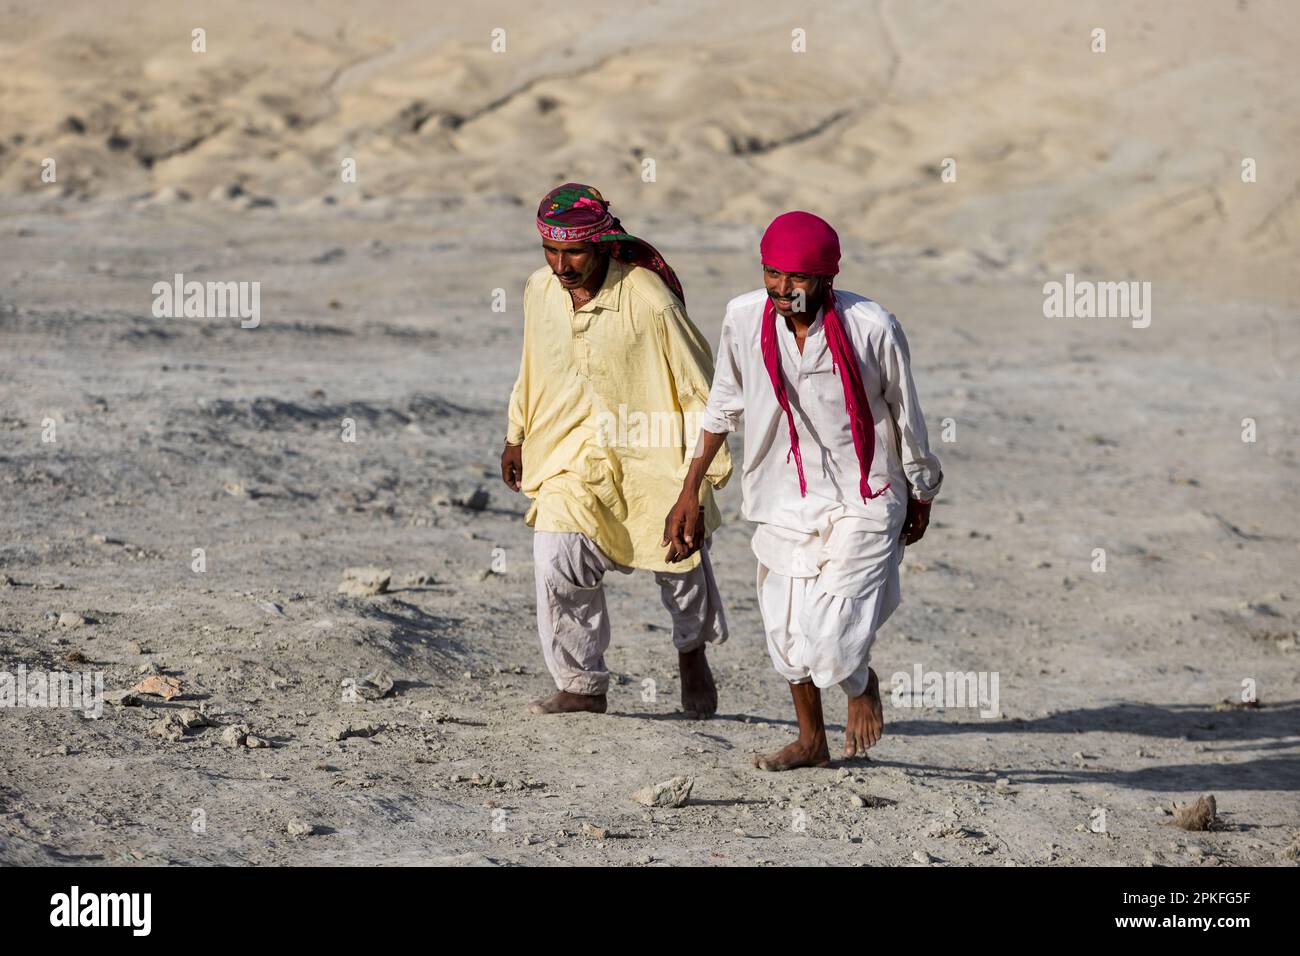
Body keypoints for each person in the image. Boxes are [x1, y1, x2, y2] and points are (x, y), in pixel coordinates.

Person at [664, 211, 942, 768]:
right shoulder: (743, 318)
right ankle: (811, 741)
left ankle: (859, 685)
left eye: (797, 278)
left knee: (833, 641)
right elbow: (724, 403)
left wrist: (921, 490)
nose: (783, 289)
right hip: (782, 493)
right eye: (772, 273)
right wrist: (689, 489)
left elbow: (906, 414)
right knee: (789, 634)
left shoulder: (872, 326)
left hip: (865, 494)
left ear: (826, 277)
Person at [503, 183, 733, 717]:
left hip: (651, 452)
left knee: (679, 563)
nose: (561, 264)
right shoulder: (539, 290)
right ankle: (582, 683)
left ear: (604, 244)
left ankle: (691, 652)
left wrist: (693, 487)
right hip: (567, 451)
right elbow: (531, 365)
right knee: (555, 556)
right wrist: (516, 434)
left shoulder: (650, 300)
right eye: (550, 250)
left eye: (574, 252)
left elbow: (707, 394)